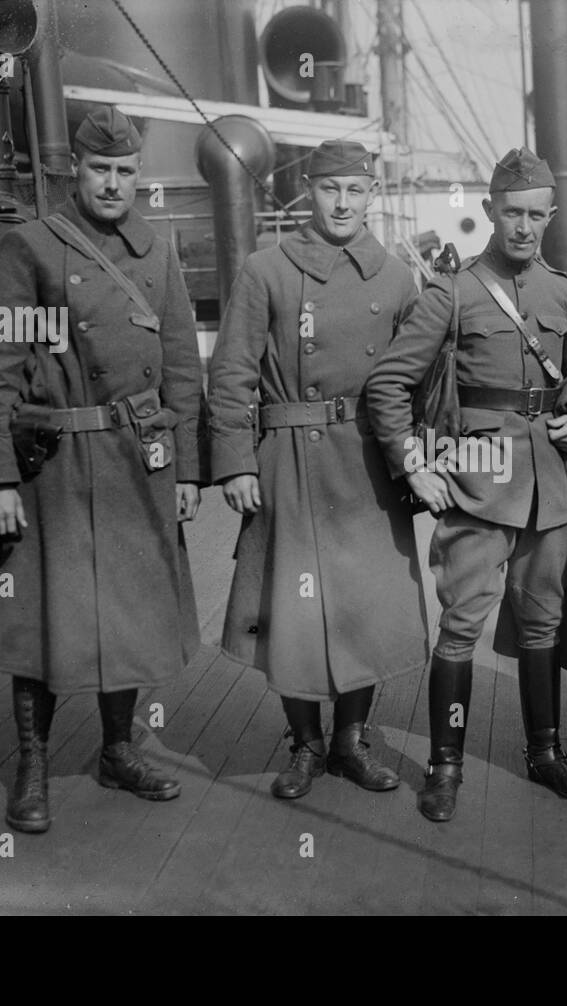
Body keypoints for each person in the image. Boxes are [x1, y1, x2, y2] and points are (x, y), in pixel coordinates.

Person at [0, 107, 205, 834]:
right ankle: (33, 764)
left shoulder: (155, 252)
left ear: (138, 175)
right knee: (43, 619)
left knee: (127, 614)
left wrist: (188, 469)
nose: (112, 183)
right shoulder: (30, 247)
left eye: (126, 171)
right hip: (55, 470)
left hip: (136, 462)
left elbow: (184, 369)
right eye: (100, 170)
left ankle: (118, 750)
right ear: (74, 170)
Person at [366, 147, 567, 822]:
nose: (523, 227)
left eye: (536, 215)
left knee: (542, 623)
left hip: (551, 483)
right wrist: (414, 461)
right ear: (491, 212)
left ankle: (545, 753)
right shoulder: (454, 290)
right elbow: (390, 383)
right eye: (512, 214)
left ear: (550, 216)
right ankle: (445, 765)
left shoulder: (564, 292)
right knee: (463, 626)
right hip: (478, 479)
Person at [208, 140, 427, 800]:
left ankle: (350, 741)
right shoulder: (266, 270)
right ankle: (304, 744)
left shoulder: (394, 278)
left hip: (365, 462)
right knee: (291, 608)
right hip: (289, 459)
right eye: (331, 189)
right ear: (309, 192)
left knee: (363, 604)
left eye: (356, 190)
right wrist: (234, 464)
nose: (343, 202)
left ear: (372, 196)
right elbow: (230, 376)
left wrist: (417, 455)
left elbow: (417, 379)